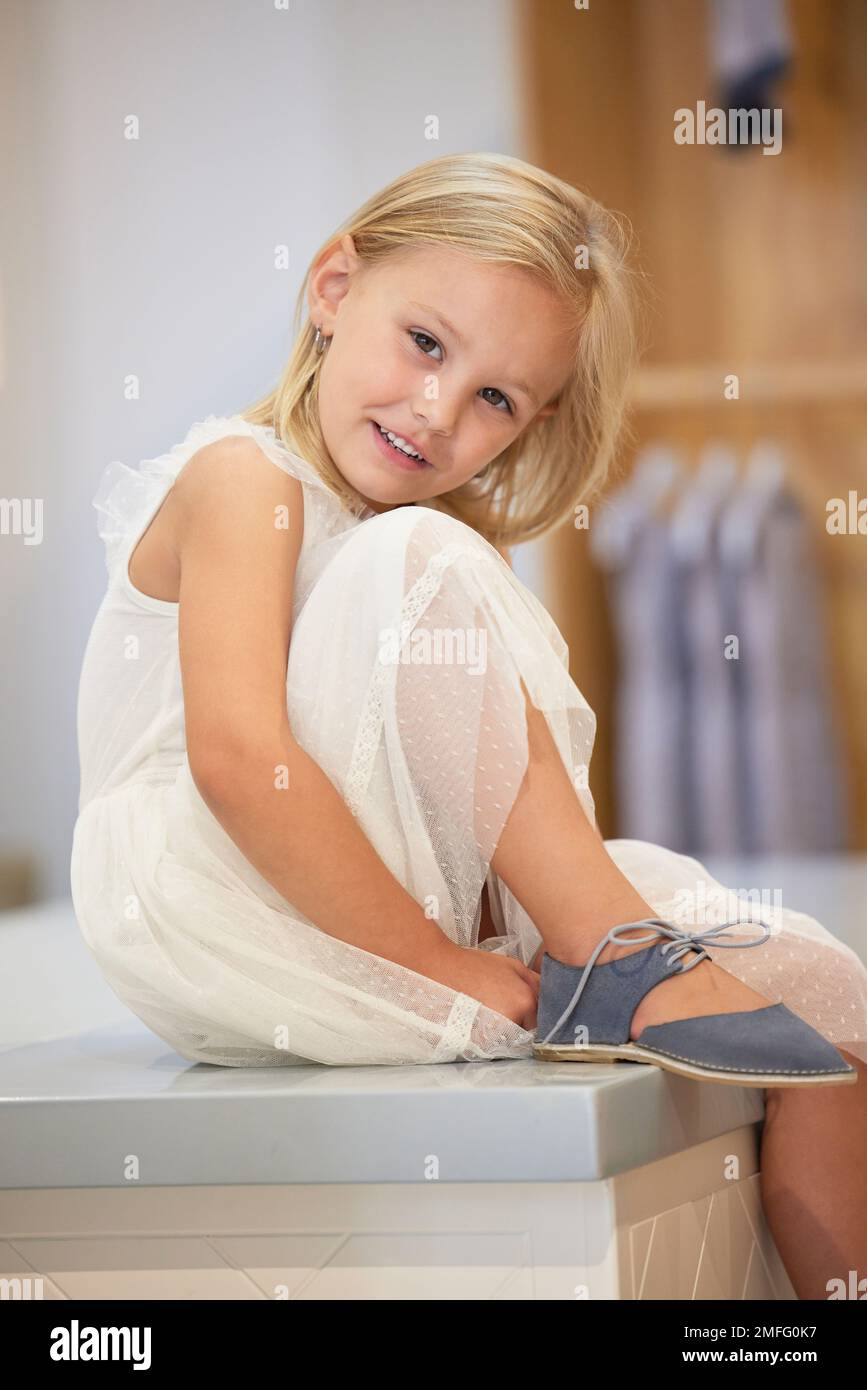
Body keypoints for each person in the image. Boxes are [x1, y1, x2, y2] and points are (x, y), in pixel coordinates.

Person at [71, 153, 866, 1297]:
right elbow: (241, 764)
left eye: (496, 397)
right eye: (427, 343)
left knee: (829, 992)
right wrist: (446, 963)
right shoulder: (250, 481)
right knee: (420, 553)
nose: (437, 411)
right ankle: (618, 957)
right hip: (220, 898)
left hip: (367, 890)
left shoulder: (415, 543)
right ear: (335, 287)